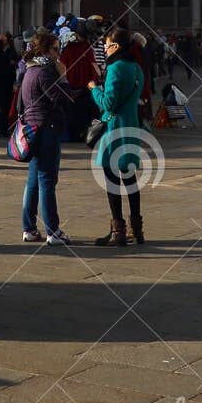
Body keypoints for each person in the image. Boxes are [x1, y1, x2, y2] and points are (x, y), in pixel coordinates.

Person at [90, 25, 147, 247]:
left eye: (105, 45)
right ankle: (137, 230)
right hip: (132, 128)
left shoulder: (116, 68)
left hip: (115, 131)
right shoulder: (136, 68)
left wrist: (94, 88)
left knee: (112, 183)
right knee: (131, 181)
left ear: (114, 45)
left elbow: (107, 103)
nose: (104, 49)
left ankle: (118, 231)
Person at [17, 30, 73, 246]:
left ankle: (29, 228)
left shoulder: (29, 70)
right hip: (46, 130)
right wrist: (64, 76)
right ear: (46, 50)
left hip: (32, 129)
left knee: (33, 182)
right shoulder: (45, 71)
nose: (59, 54)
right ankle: (53, 231)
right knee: (47, 181)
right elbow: (62, 98)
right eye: (56, 49)